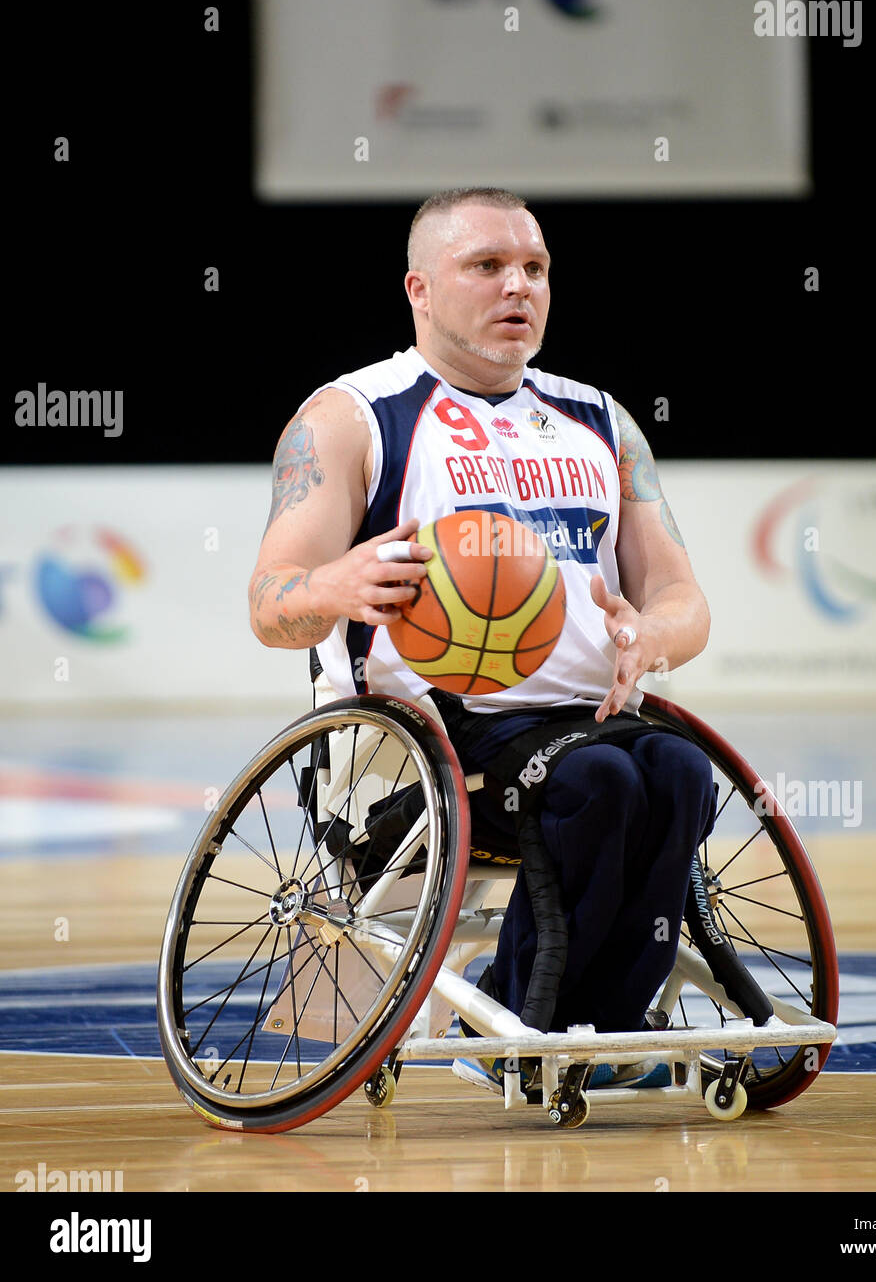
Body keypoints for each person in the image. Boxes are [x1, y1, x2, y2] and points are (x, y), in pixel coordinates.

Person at [248, 186, 714, 1092]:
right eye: (487, 266)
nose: (519, 288)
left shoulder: (598, 421)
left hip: (579, 719)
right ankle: (527, 1019)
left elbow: (683, 599)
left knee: (679, 771)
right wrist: (339, 583)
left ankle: (601, 1026)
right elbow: (271, 604)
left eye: (535, 268)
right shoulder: (350, 417)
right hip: (414, 753)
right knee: (601, 783)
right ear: (419, 289)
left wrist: (644, 635)